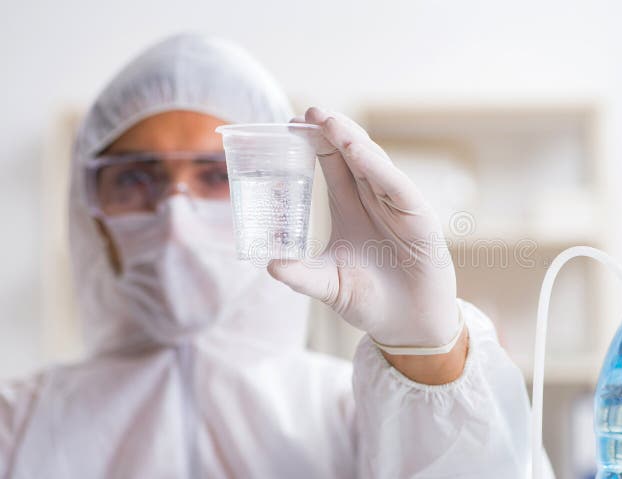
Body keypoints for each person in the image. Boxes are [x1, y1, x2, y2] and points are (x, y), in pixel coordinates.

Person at [0, 34, 548, 478]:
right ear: (88, 204)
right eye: (136, 178)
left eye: (217, 174)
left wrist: (429, 358)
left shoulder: (354, 413)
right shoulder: (18, 424)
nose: (175, 213)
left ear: (278, 187)